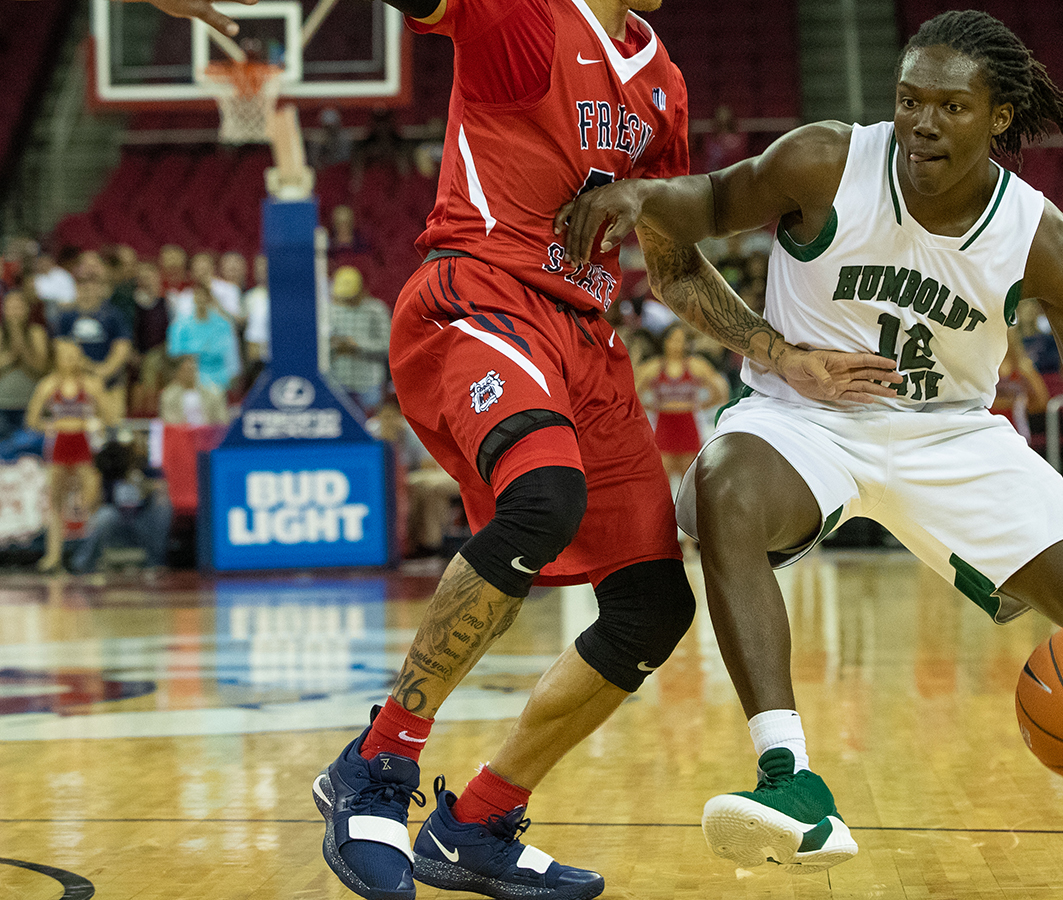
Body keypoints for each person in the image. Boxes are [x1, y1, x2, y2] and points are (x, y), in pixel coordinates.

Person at [134, 2, 892, 900]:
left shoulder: (664, 82)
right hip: (482, 297)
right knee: (543, 499)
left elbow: (674, 262)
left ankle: (478, 823)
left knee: (652, 607)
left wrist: (780, 353)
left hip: (584, 337)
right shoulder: (522, 20)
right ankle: (375, 764)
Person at [562, 8, 1063, 878]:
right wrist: (645, 197)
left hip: (950, 431)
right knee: (724, 486)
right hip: (804, 416)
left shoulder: (1042, 240)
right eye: (909, 100)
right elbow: (709, 202)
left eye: (950, 106)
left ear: (998, 117)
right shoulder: (826, 159)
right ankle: (791, 780)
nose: (922, 122)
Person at [25, 341, 109, 572]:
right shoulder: (49, 384)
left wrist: (96, 422)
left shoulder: (90, 384)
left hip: (82, 444)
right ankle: (53, 556)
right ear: (57, 359)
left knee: (91, 500)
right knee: (56, 503)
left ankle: (92, 556)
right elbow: (32, 419)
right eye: (66, 355)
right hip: (60, 445)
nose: (71, 359)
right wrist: (50, 426)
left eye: (74, 355)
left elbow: (109, 416)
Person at [635, 323, 728, 487]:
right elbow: (633, 391)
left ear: (686, 344)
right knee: (662, 481)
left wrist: (703, 405)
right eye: (673, 340)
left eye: (680, 340)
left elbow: (720, 390)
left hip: (687, 425)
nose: (676, 344)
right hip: (664, 426)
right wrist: (648, 407)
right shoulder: (654, 367)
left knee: (689, 482)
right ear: (665, 341)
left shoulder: (695, 365)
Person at [369, 395, 461, 558]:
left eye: (393, 414)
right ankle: (415, 544)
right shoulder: (371, 430)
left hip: (430, 475)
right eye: (386, 414)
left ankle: (429, 544)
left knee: (422, 485)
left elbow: (428, 466)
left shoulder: (408, 431)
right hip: (388, 479)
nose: (390, 419)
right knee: (415, 485)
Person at [71, 430, 171, 572]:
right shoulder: (107, 475)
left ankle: (155, 563)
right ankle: (83, 564)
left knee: (164, 508)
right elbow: (92, 505)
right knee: (105, 515)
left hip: (140, 522)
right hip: (117, 523)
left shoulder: (148, 471)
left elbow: (161, 489)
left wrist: (147, 487)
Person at [54, 251, 134, 422]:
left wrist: (103, 372)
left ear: (100, 287)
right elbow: (61, 348)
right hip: (76, 382)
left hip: (110, 383)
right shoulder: (67, 317)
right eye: (83, 284)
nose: (88, 288)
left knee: (112, 426)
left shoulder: (113, 315)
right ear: (76, 287)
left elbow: (122, 348)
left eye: (92, 284)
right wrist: (86, 369)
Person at [326, 266, 391, 412]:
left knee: (370, 420)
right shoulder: (329, 311)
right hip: (338, 380)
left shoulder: (376, 310)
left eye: (350, 296)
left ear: (361, 290)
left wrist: (357, 345)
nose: (346, 300)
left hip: (369, 381)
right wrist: (333, 345)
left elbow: (388, 345)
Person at [167, 283, 240, 393]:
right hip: (191, 375)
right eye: (198, 297)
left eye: (204, 297)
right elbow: (174, 353)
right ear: (194, 299)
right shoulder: (181, 325)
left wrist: (233, 375)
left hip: (220, 376)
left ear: (209, 299)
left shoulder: (222, 324)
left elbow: (231, 354)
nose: (201, 300)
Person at [0, 289, 52, 442]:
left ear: (27, 309)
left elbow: (41, 368)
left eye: (19, 307)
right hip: (2, 406)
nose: (15, 312)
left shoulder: (36, 332)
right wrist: (11, 356)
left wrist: (20, 342)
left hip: (30, 405)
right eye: (11, 307)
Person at [159, 354, 230, 426]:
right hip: (182, 431)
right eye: (185, 370)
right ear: (178, 372)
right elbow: (169, 420)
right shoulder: (169, 395)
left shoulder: (213, 392)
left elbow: (221, 418)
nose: (190, 373)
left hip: (208, 430)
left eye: (192, 369)